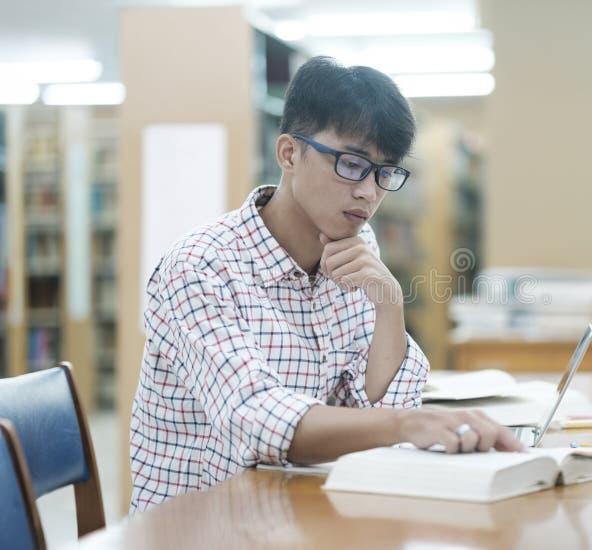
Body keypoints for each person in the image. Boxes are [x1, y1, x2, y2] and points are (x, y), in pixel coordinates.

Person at [129, 56, 523, 512]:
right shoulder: (200, 268)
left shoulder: (355, 246)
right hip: (199, 526)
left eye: (384, 172)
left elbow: (378, 408)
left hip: (290, 509)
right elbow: (256, 419)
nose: (369, 192)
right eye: (352, 164)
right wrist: (406, 424)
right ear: (289, 154)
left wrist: (390, 304)